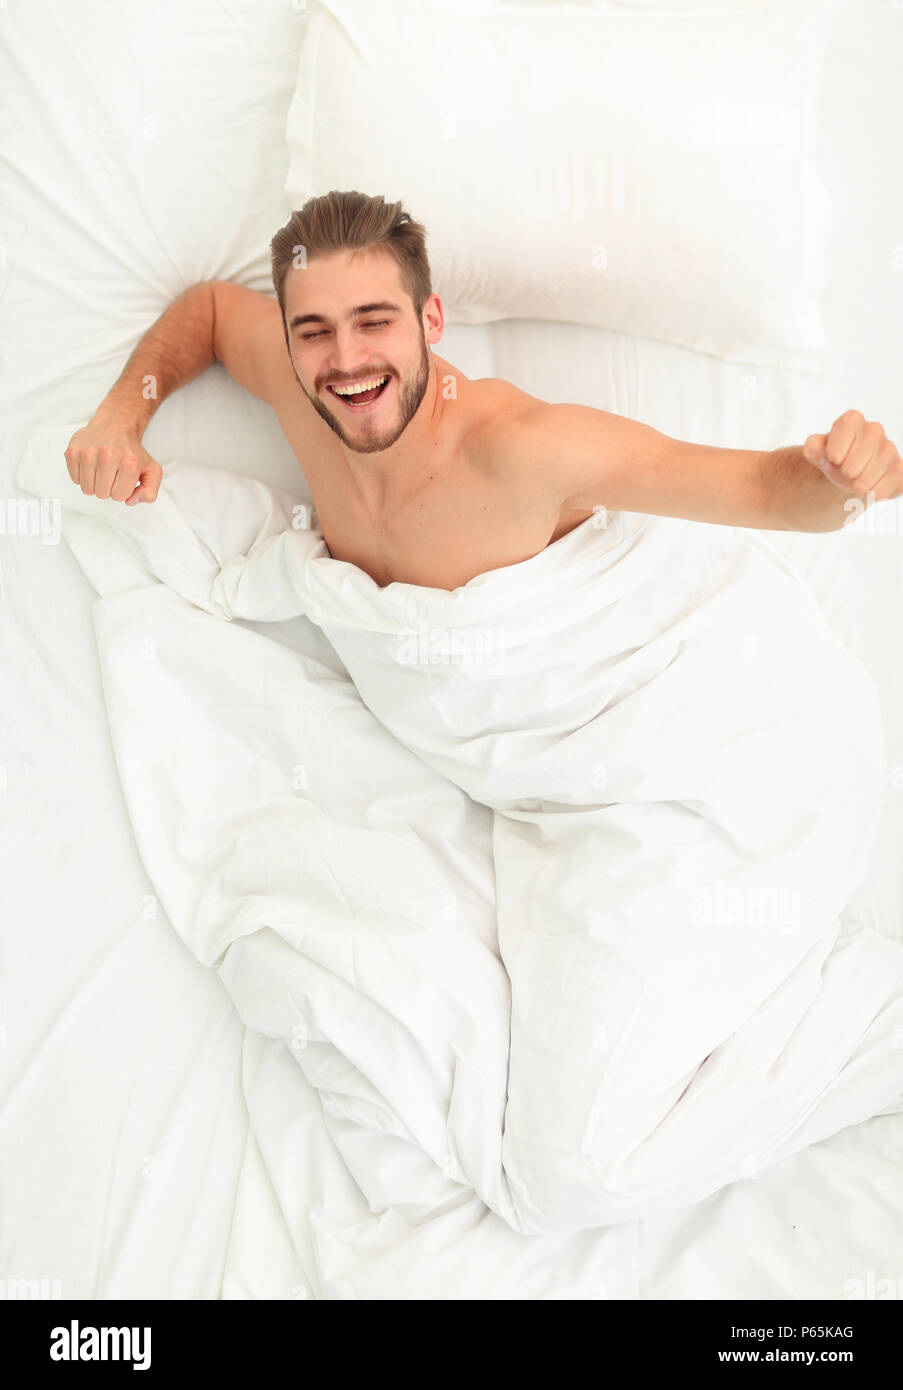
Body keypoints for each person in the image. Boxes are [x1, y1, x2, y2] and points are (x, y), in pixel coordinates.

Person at [65, 190, 902, 591]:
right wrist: (121, 414)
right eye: (313, 330)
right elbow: (207, 311)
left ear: (431, 320)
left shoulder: (524, 450)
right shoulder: (297, 382)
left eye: (374, 320)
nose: (345, 359)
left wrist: (841, 482)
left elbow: (765, 493)